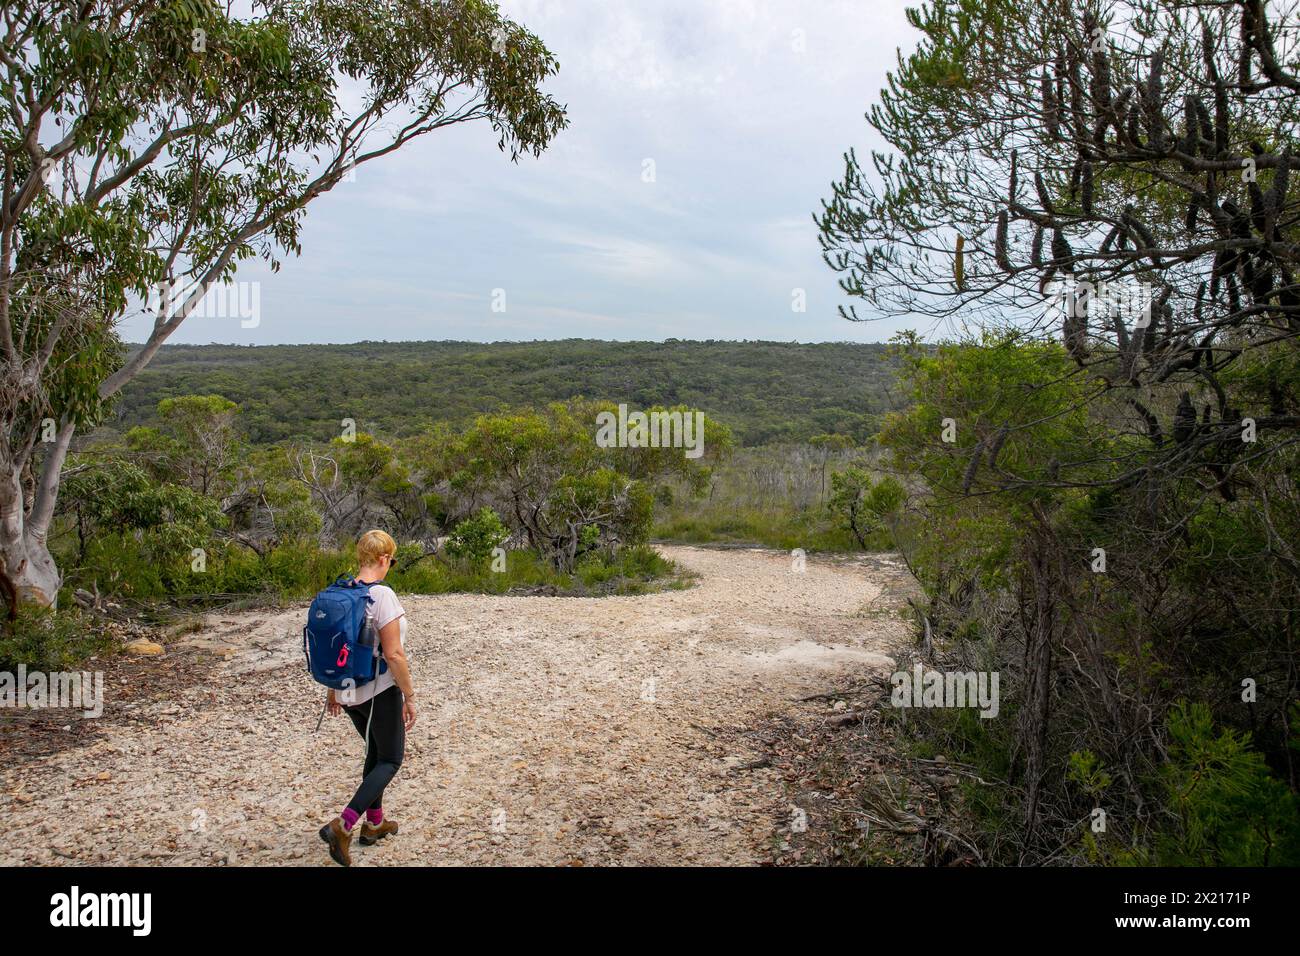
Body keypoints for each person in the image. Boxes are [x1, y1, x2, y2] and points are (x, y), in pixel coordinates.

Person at [318, 530, 417, 867]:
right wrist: (410, 695)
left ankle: (374, 823)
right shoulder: (382, 596)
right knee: (390, 759)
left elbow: (337, 649)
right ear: (383, 559)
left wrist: (333, 691)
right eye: (392, 560)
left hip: (348, 693)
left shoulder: (343, 591)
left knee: (375, 753)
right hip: (378, 690)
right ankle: (344, 824)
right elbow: (394, 655)